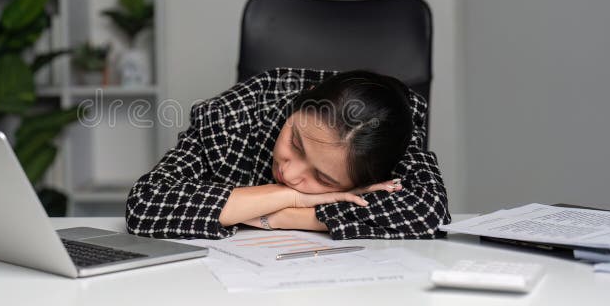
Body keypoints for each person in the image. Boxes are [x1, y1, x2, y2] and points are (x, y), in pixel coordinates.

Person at [125, 68, 450, 240]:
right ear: (303, 100)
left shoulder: (392, 128)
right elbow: (146, 204)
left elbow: (426, 213)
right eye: (295, 143)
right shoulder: (231, 117)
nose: (291, 174)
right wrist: (294, 198)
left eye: (322, 178)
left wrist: (276, 216)